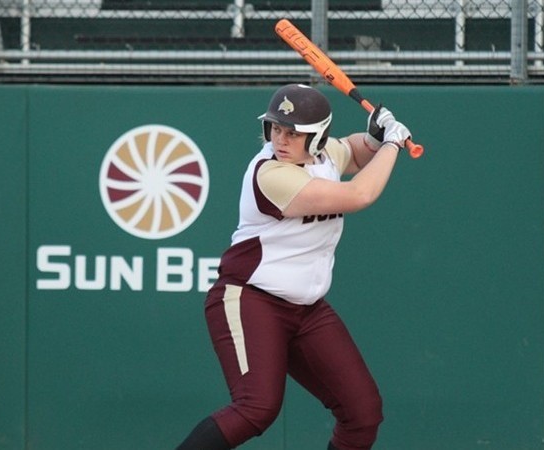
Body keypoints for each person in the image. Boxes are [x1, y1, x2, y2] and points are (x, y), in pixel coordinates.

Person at [175, 84, 411, 450]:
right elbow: (359, 194)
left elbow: (353, 149)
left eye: (294, 133)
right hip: (251, 298)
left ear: (316, 137)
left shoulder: (324, 155)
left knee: (362, 412)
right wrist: (394, 144)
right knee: (256, 408)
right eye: (277, 129)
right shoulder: (271, 173)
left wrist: (377, 136)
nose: (281, 140)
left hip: (306, 310)